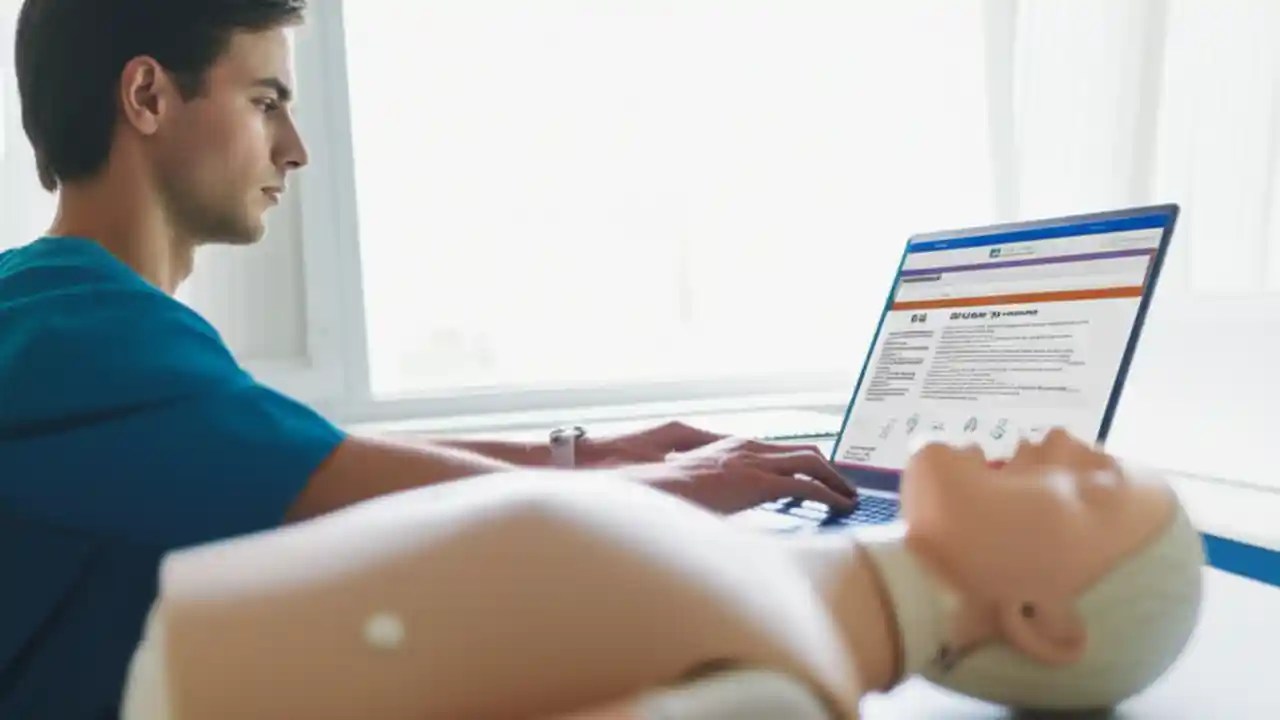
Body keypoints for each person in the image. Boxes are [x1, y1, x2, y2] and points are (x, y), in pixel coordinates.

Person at [0, 1, 853, 717]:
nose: (294, 147)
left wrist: (591, 454)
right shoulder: (91, 336)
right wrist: (681, 491)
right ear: (147, 96)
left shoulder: (51, 309)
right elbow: (411, 504)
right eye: (265, 102)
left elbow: (316, 460)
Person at [118, 431, 1205, 719]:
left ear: (1039, 620)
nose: (1061, 438)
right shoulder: (782, 598)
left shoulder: (779, 692)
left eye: (1090, 485)